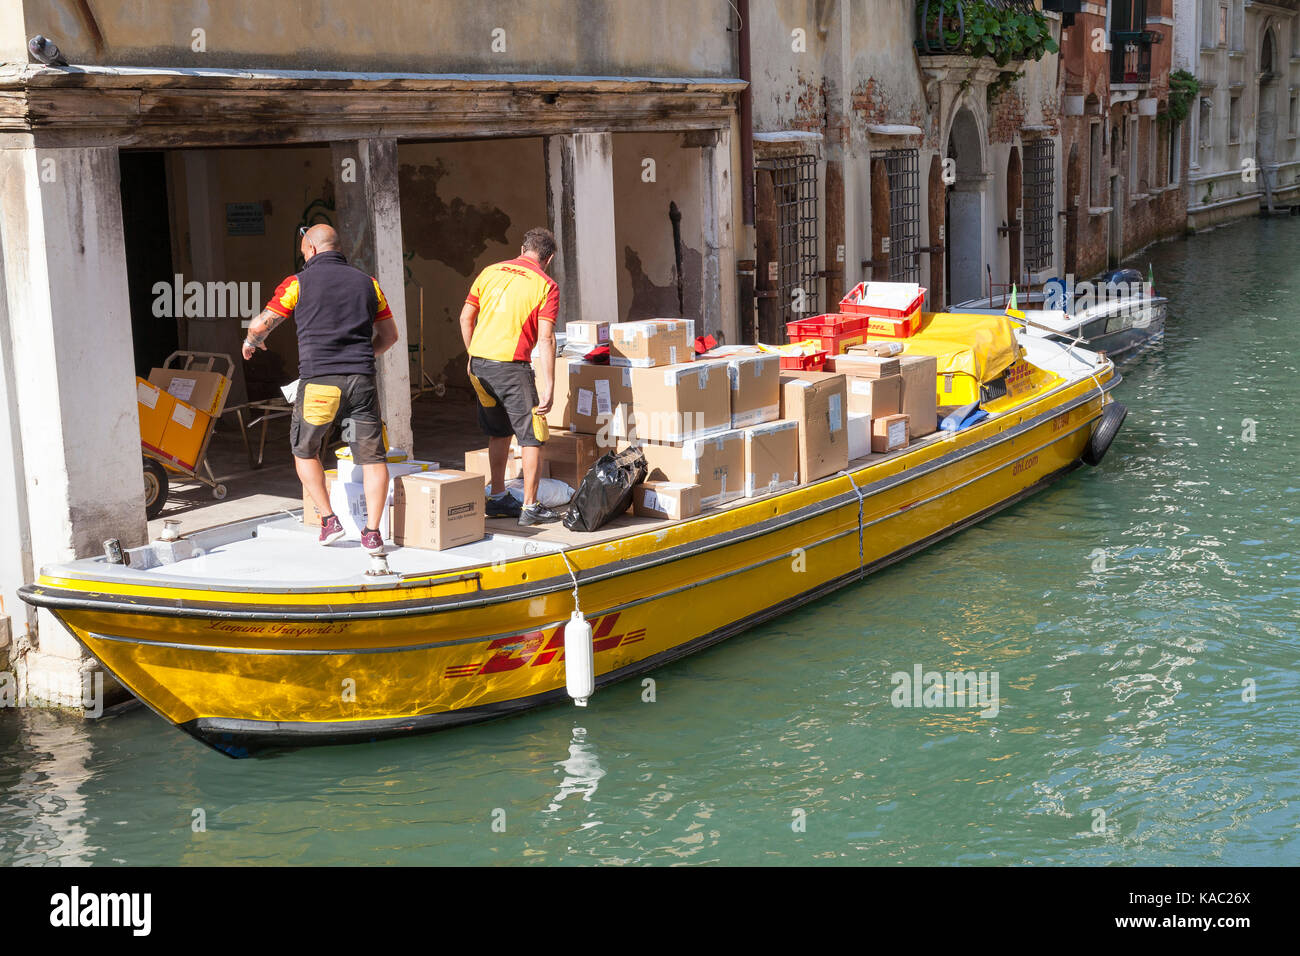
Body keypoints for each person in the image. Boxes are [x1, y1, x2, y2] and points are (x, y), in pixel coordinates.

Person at [242, 224, 399, 553]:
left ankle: (330, 520)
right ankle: (372, 533)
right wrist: (358, 356)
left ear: (311, 250)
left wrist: (252, 341)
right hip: (361, 382)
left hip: (319, 384)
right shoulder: (369, 284)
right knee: (372, 460)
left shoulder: (297, 283)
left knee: (304, 451)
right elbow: (389, 337)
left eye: (303, 252)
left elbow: (260, 324)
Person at [459, 227, 560, 526]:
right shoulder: (546, 284)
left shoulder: (489, 271)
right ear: (549, 257)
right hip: (511, 366)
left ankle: (499, 494)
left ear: (523, 247)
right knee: (532, 437)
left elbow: (466, 317)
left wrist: (472, 354)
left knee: (499, 431)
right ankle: (530, 506)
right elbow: (546, 339)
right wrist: (550, 385)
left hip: (479, 366)